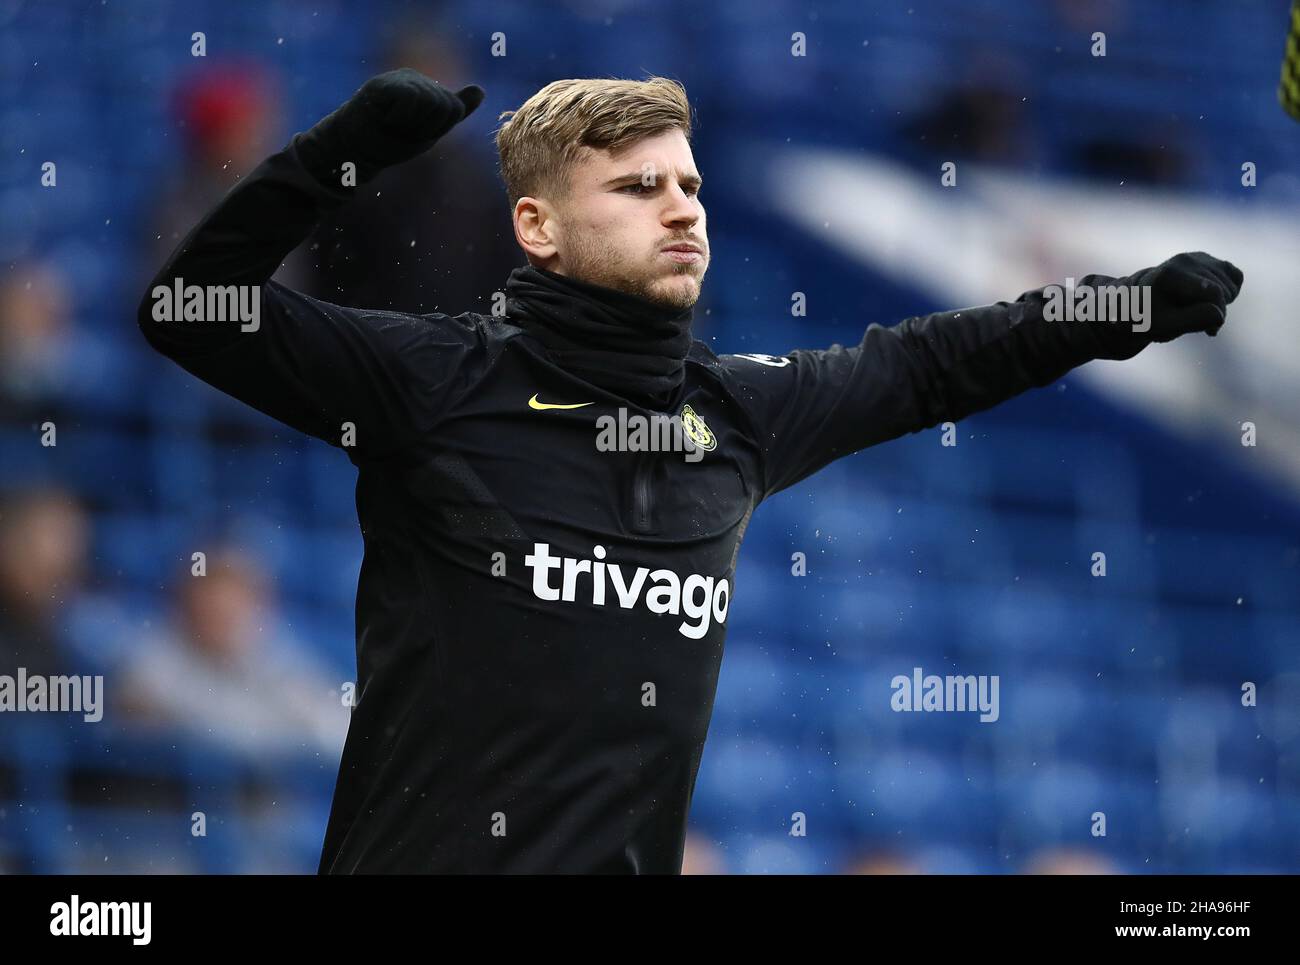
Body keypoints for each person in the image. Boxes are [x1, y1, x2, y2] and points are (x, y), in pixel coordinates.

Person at [136, 68, 1244, 874]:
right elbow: (187, 312)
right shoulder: (432, 379)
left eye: (691, 185)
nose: (681, 207)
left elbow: (936, 363)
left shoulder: (737, 413)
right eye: (636, 188)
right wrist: (332, 157)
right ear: (537, 226)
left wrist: (1118, 308)